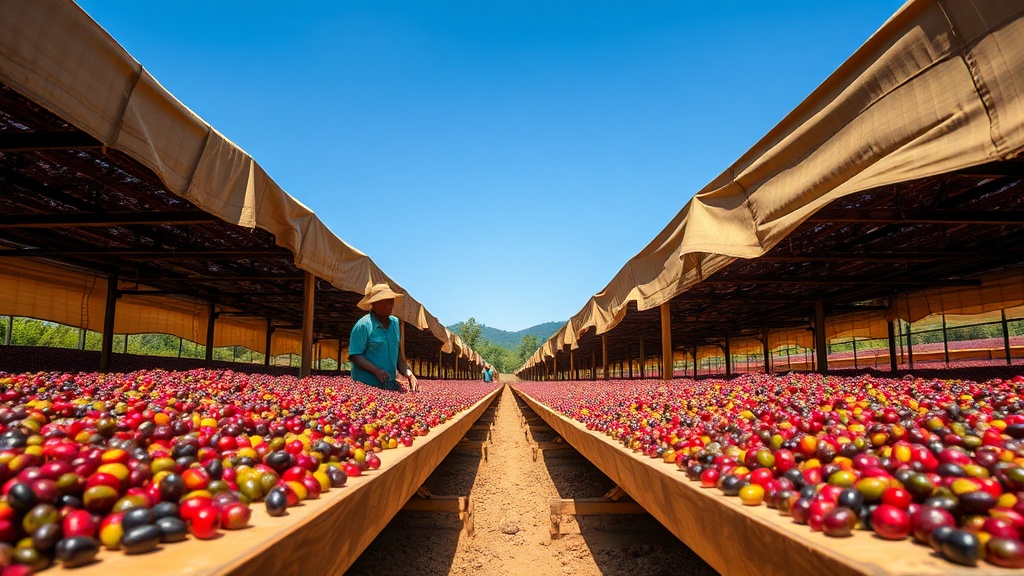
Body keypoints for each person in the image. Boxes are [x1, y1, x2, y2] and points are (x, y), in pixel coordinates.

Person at [349, 283, 419, 392]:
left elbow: (399, 357)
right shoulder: (363, 325)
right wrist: (376, 370)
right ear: (373, 303)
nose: (388, 305)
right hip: (365, 387)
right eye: (383, 301)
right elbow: (355, 356)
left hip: (388, 385)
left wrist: (409, 374)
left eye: (390, 301)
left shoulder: (395, 323)